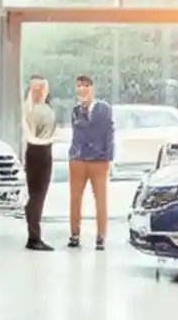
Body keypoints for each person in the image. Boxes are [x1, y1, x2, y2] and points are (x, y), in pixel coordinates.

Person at [66, 74, 114, 250]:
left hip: (99, 160)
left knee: (100, 199)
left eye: (85, 86)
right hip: (78, 159)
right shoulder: (76, 110)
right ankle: (74, 234)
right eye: (78, 86)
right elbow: (78, 129)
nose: (81, 89)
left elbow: (108, 133)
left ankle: (101, 236)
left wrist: (108, 156)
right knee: (75, 199)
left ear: (92, 88)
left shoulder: (104, 109)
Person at [21, 75, 55, 251]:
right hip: (41, 152)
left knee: (34, 195)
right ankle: (34, 237)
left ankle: (33, 234)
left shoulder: (29, 108)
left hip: (33, 152)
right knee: (38, 196)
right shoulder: (40, 110)